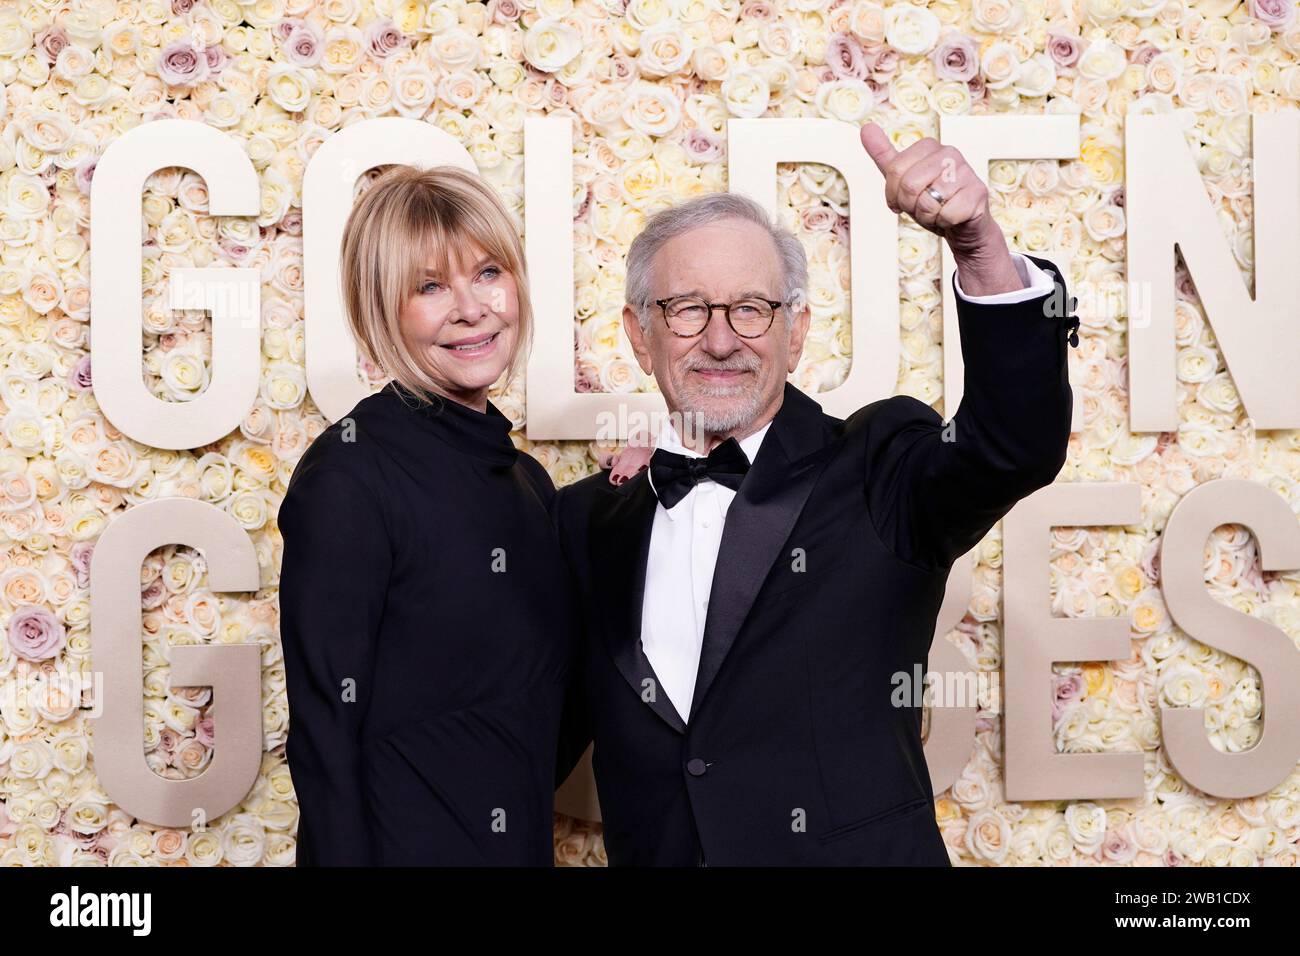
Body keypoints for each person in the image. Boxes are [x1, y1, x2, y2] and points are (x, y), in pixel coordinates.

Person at [552, 123, 1080, 865]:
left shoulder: (880, 469)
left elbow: (1012, 446)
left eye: (752, 309)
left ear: (795, 332)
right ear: (640, 336)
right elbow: (524, 728)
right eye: (687, 309)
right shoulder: (586, 518)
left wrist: (977, 246)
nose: (723, 339)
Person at [278, 165, 577, 866]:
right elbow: (325, 737)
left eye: (489, 272)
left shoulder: (528, 481)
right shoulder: (349, 476)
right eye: (430, 286)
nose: (471, 308)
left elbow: (545, 704)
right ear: (381, 308)